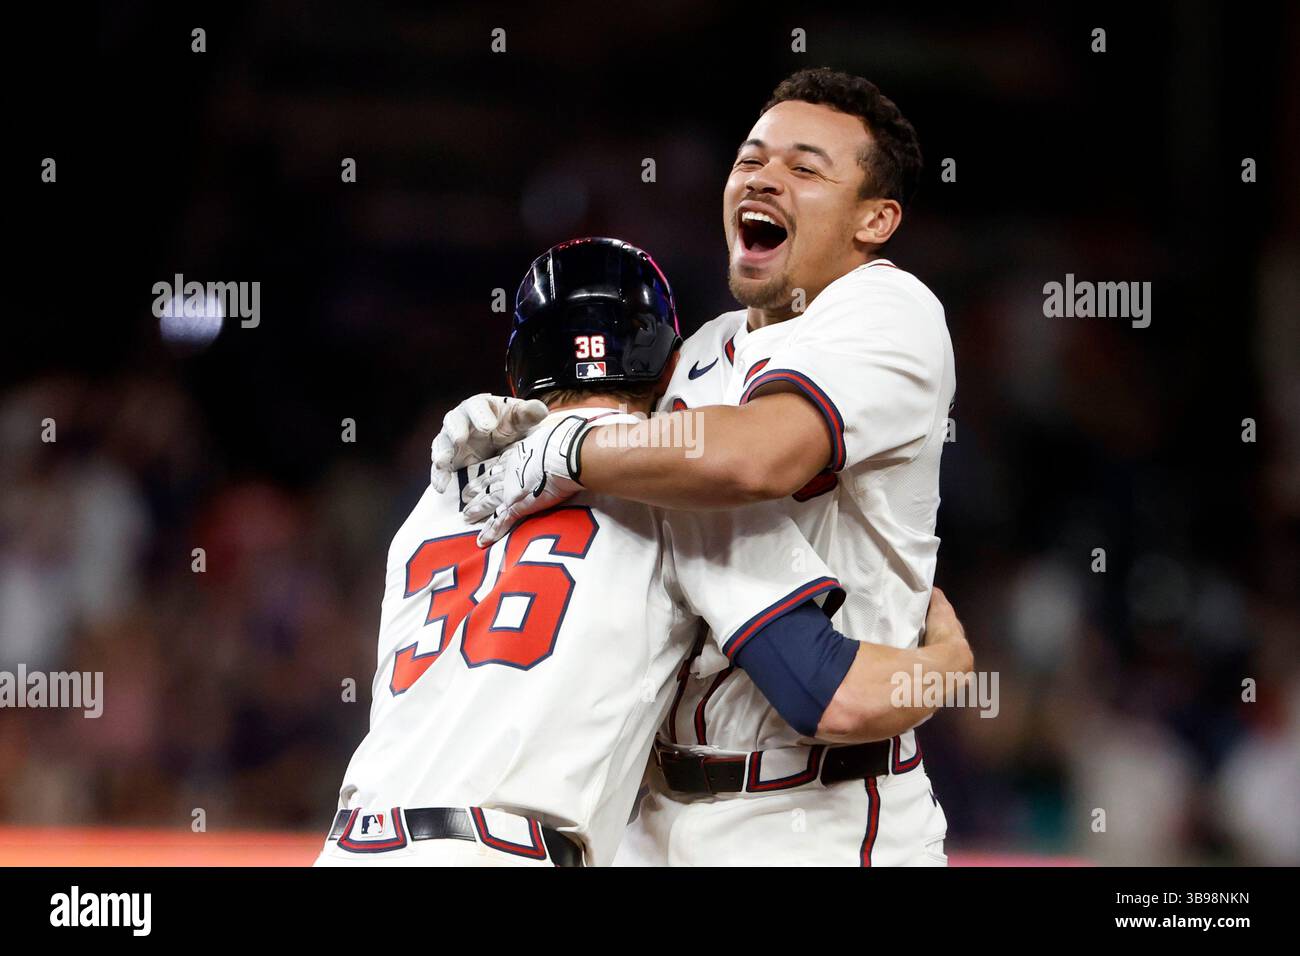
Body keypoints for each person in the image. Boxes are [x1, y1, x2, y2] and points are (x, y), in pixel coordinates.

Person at [432, 68, 957, 865]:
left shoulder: (891, 310)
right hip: (651, 812)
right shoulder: (700, 350)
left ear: (876, 218)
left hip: (818, 813)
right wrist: (511, 437)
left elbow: (759, 459)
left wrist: (564, 447)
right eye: (752, 159)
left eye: (805, 168)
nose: (764, 178)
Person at [319, 237, 970, 867]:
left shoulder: (441, 496)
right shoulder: (684, 492)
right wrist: (949, 662)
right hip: (506, 848)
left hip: (353, 839)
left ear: (520, 362)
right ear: (668, 363)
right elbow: (827, 693)